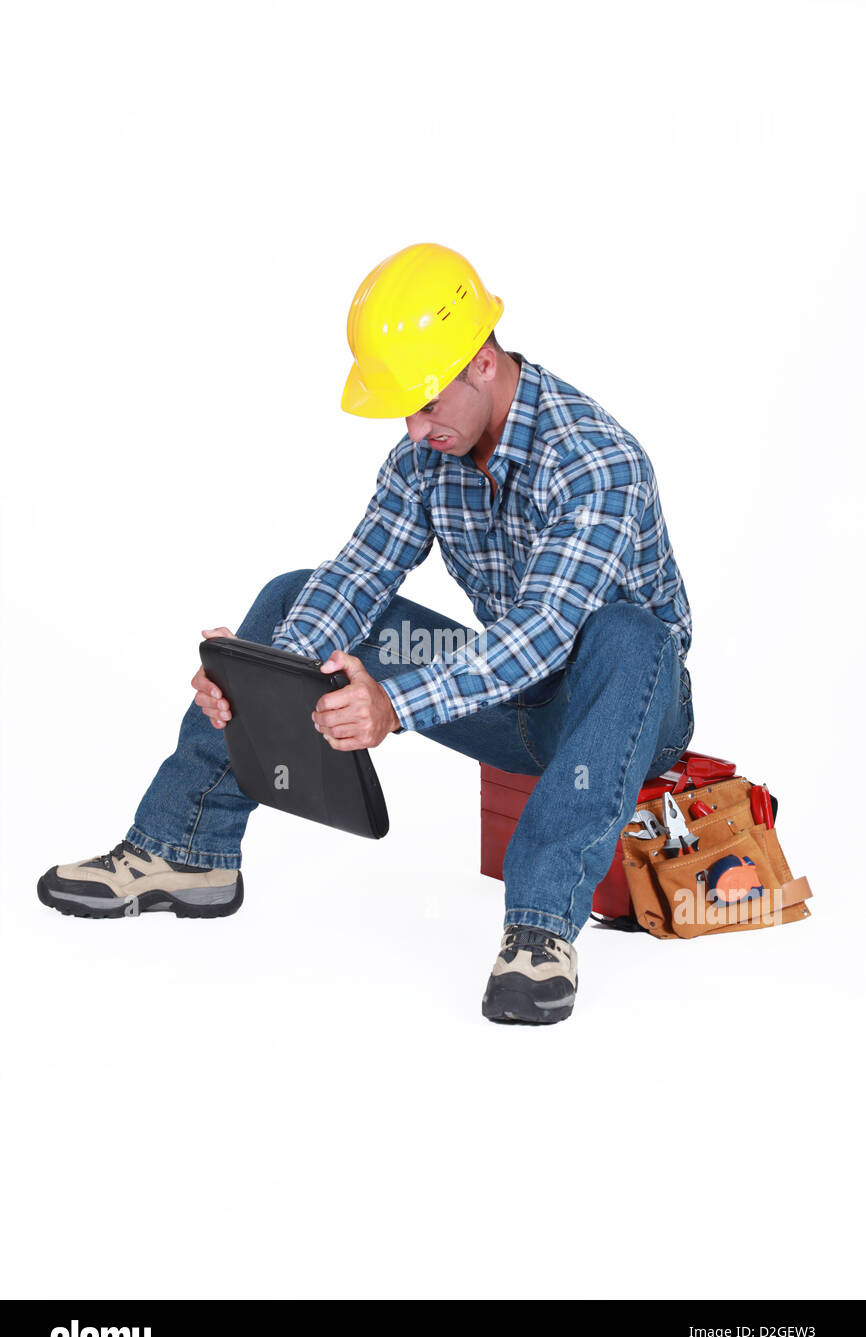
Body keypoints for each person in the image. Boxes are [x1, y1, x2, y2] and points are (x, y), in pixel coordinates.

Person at [37, 243, 693, 1026]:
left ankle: (540, 932)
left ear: (483, 361)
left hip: (623, 709)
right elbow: (355, 578)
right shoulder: (425, 457)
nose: (415, 430)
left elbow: (545, 632)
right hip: (510, 701)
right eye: (405, 411)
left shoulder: (595, 462)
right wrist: (261, 674)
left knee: (627, 634)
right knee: (293, 597)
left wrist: (394, 705)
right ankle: (187, 850)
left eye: (426, 404)